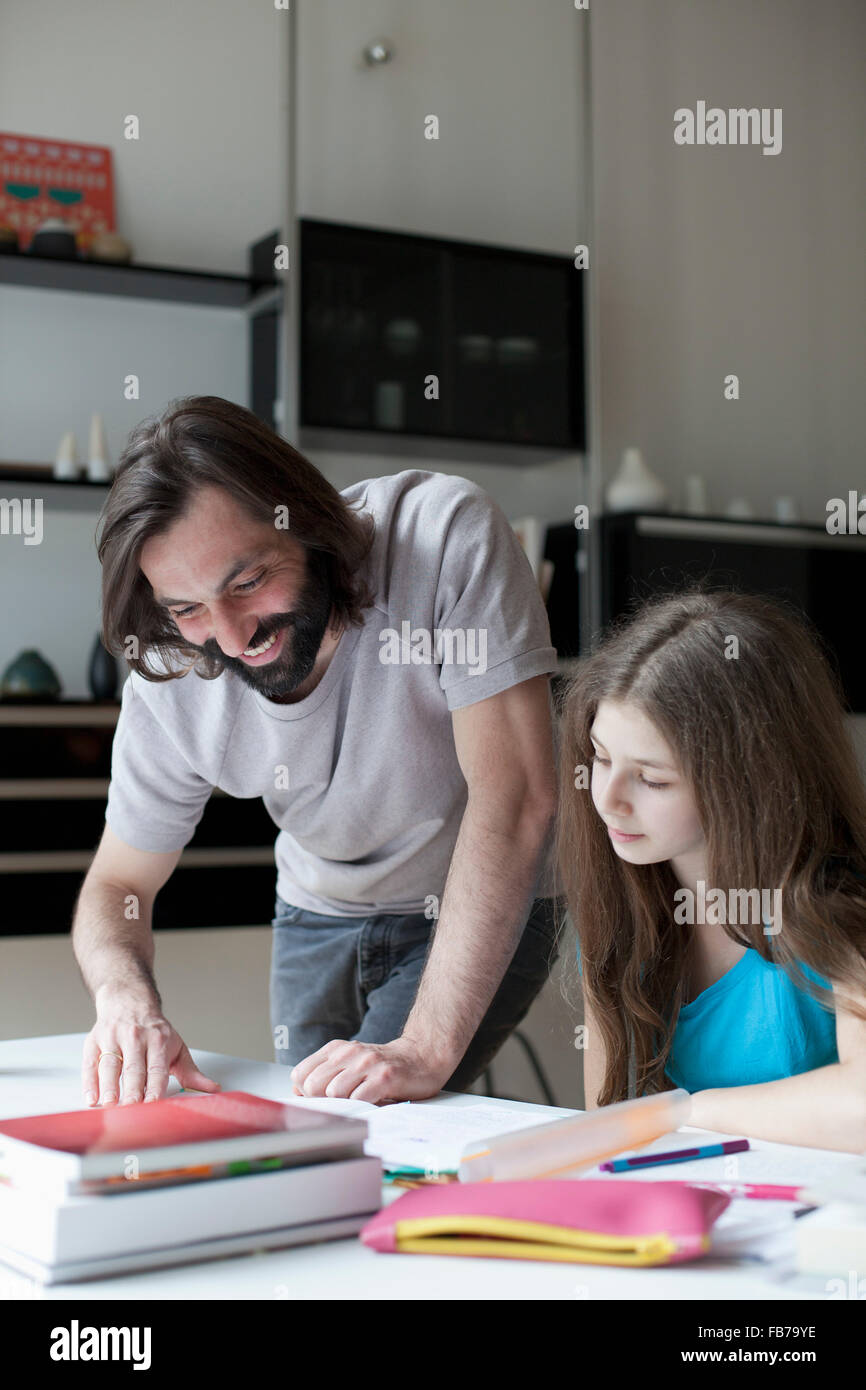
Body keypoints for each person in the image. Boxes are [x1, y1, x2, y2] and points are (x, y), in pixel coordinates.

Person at [72, 395, 562, 1107]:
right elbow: (116, 887)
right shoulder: (172, 671)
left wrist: (423, 1047)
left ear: (306, 520)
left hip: (476, 890)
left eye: (247, 583)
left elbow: (517, 799)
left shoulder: (445, 534)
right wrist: (124, 1000)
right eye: (188, 609)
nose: (233, 637)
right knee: (307, 1133)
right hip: (318, 908)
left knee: (369, 1119)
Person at [554, 588, 866, 1151]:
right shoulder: (618, 908)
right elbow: (607, 1129)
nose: (607, 799)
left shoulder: (840, 902)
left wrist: (691, 1111)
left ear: (747, 779)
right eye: (600, 758)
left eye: (652, 778)